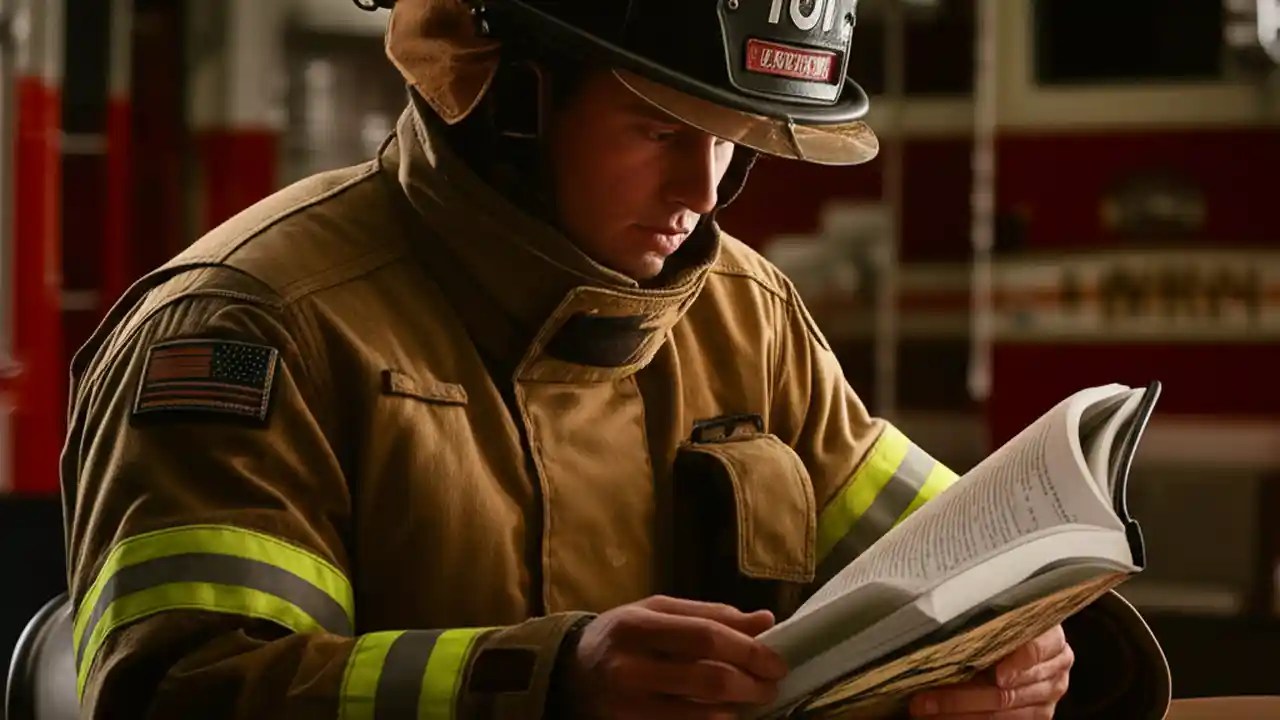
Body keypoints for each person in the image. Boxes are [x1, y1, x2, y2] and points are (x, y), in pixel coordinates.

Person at [60, 0, 1169, 717]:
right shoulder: (254, 325)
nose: (702, 194)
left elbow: (960, 563)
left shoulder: (746, 313)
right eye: (656, 128)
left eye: (731, 139)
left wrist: (1030, 655)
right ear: (511, 101)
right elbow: (180, 691)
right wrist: (549, 681)